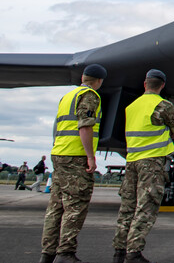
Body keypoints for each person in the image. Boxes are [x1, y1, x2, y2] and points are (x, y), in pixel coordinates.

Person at [112, 68, 174, 263]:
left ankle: (119, 251)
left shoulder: (132, 106)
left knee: (127, 207)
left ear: (145, 84)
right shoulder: (164, 105)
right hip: (151, 163)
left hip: (132, 161)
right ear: (162, 86)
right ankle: (133, 253)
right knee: (146, 207)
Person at [40, 62, 106, 263]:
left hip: (59, 154)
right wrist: (90, 157)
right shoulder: (89, 96)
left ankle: (48, 253)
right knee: (75, 205)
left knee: (56, 207)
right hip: (75, 157)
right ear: (99, 81)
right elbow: (85, 127)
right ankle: (66, 253)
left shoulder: (67, 96)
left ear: (82, 78)